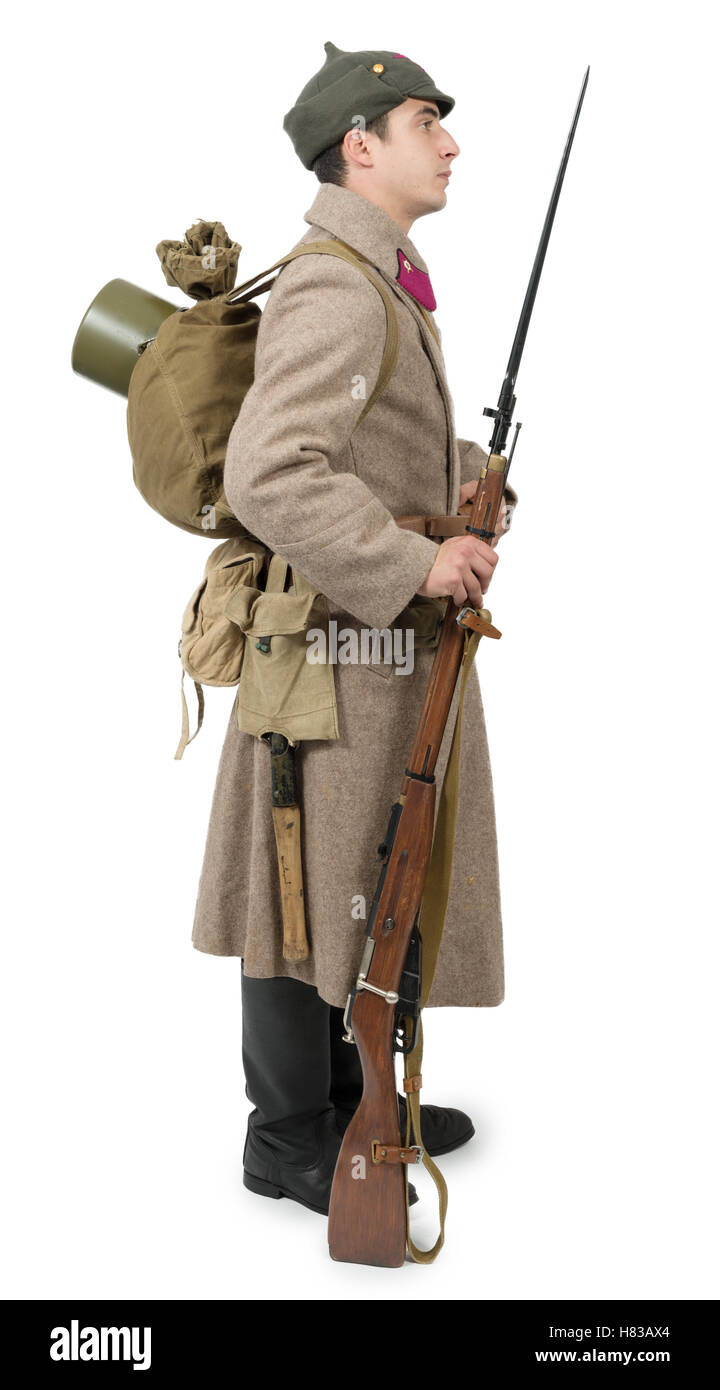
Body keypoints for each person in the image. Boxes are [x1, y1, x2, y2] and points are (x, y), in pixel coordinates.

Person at [191, 42, 518, 1216]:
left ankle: (349, 1094)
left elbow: (364, 447)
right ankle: (286, 1134)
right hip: (329, 653)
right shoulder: (339, 279)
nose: (450, 141)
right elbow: (274, 469)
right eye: (427, 120)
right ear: (360, 144)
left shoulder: (374, 275)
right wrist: (414, 560)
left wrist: (464, 488)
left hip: (359, 647)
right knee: (297, 885)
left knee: (358, 873)